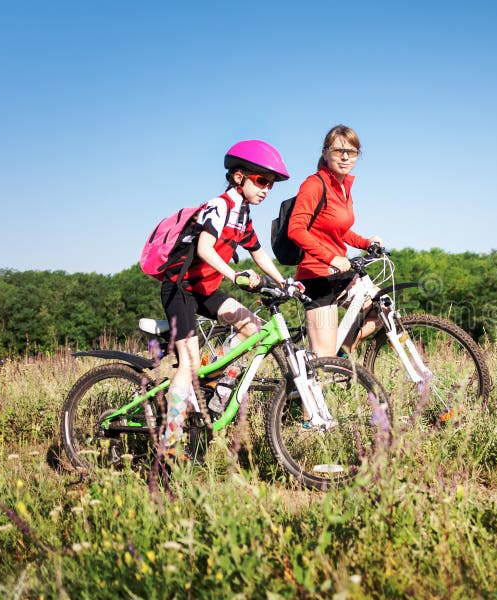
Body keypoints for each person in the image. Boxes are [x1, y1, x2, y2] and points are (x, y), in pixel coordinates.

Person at [160, 139, 290, 457]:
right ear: (238, 177)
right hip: (181, 289)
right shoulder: (220, 206)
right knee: (188, 364)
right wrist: (235, 276)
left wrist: (286, 282)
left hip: (206, 291)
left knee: (255, 329)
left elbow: (259, 254)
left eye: (270, 184)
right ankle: (170, 443)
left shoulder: (243, 217)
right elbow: (205, 248)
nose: (266, 189)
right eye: (261, 181)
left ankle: (214, 377)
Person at [288, 124, 383, 358]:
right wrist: (331, 257)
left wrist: (366, 242)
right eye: (338, 150)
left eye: (351, 152)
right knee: (321, 361)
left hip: (341, 273)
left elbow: (339, 230)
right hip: (317, 276)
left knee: (384, 308)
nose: (344, 156)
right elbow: (295, 230)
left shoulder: (343, 188)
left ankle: (343, 351)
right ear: (324, 153)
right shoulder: (314, 184)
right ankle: (297, 389)